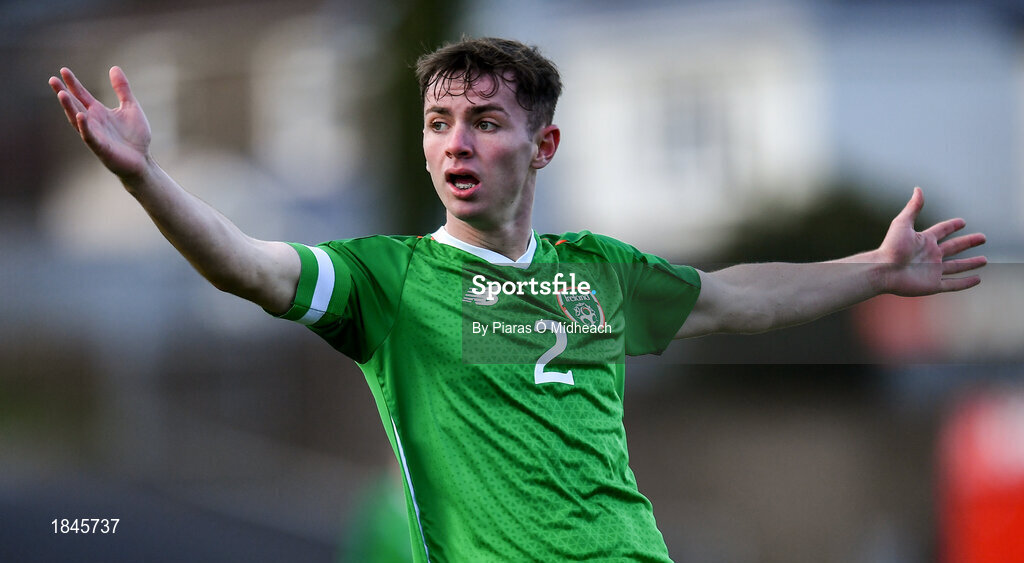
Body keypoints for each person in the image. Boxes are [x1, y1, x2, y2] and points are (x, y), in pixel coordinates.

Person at [50, 37, 986, 562]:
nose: (456, 142)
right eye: (438, 122)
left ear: (542, 147)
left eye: (485, 122)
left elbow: (738, 298)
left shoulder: (600, 271)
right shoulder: (390, 282)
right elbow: (246, 265)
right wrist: (146, 181)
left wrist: (874, 269)